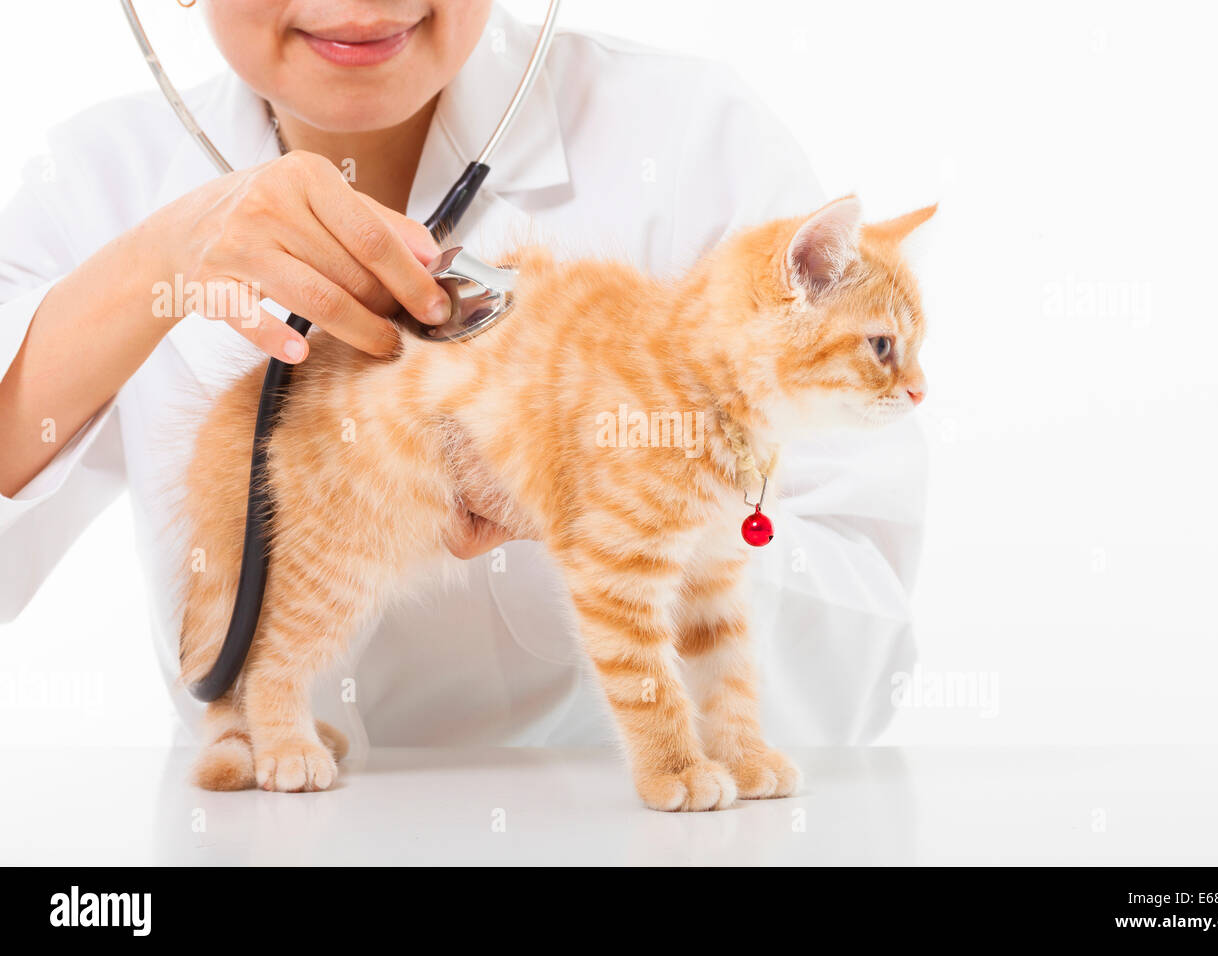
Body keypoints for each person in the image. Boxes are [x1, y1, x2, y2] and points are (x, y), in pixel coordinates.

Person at [0, 0, 924, 753]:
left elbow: (862, 657)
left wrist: (611, 511)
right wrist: (149, 268)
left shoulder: (691, 136)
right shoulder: (92, 175)